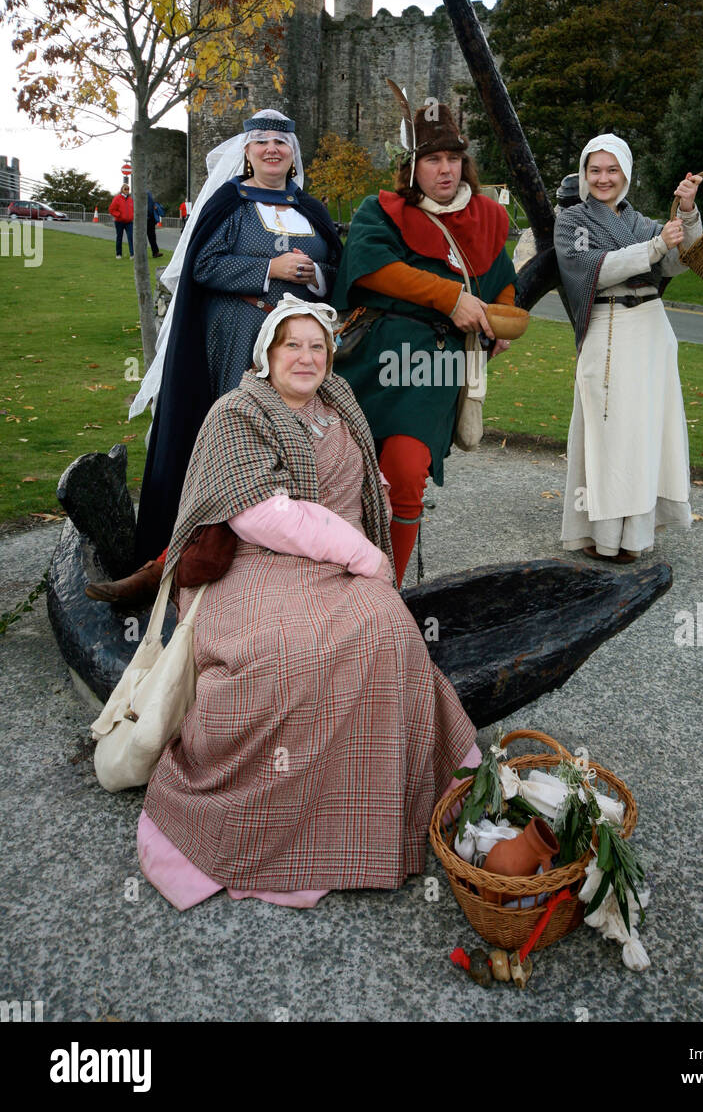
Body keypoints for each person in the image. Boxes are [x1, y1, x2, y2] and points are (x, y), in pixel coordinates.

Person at [135, 296, 478, 909]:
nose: (306, 356)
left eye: (317, 345)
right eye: (291, 344)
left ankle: (365, 823)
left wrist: (370, 507)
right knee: (284, 653)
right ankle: (258, 826)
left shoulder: (338, 402)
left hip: (334, 571)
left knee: (386, 629)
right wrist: (367, 556)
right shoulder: (237, 411)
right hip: (252, 567)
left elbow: (357, 484)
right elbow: (260, 512)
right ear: (267, 353)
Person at [89, 108, 342, 602]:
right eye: (262, 141)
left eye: (282, 142)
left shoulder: (309, 208)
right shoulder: (230, 202)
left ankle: (280, 554)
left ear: (294, 154)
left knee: (296, 440)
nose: (273, 149)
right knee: (236, 439)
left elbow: (336, 266)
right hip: (238, 337)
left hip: (299, 345)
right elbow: (202, 265)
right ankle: (187, 558)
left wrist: (312, 273)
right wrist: (271, 268)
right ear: (246, 152)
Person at [331, 103, 516, 586]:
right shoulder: (383, 209)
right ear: (413, 167)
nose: (446, 170)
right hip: (368, 355)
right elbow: (371, 266)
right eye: (434, 160)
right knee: (330, 464)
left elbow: (503, 284)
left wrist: (498, 323)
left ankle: (383, 595)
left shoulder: (490, 218)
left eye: (454, 159)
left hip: (432, 365)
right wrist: (450, 296)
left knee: (406, 471)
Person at [554, 133, 703, 561]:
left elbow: (679, 261)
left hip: (652, 331)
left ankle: (635, 538)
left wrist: (688, 214)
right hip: (607, 325)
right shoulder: (572, 221)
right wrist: (656, 247)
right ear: (584, 174)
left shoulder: (640, 222)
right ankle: (599, 535)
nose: (604, 178)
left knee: (643, 434)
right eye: (595, 170)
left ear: (626, 173)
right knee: (607, 433)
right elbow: (592, 269)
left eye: (612, 169)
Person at [109, 181, 134, 258]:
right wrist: (119, 215)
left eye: (128, 189)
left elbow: (133, 209)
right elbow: (111, 209)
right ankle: (118, 254)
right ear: (122, 190)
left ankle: (132, 254)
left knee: (130, 237)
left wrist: (132, 216)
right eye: (125, 189)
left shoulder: (130, 199)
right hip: (119, 221)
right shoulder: (117, 198)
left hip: (129, 222)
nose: (127, 190)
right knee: (119, 237)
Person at [146, 191, 164, 259]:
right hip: (149, 219)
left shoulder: (146, 195)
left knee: (151, 237)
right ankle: (155, 252)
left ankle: (155, 252)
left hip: (148, 219)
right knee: (152, 237)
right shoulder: (149, 195)